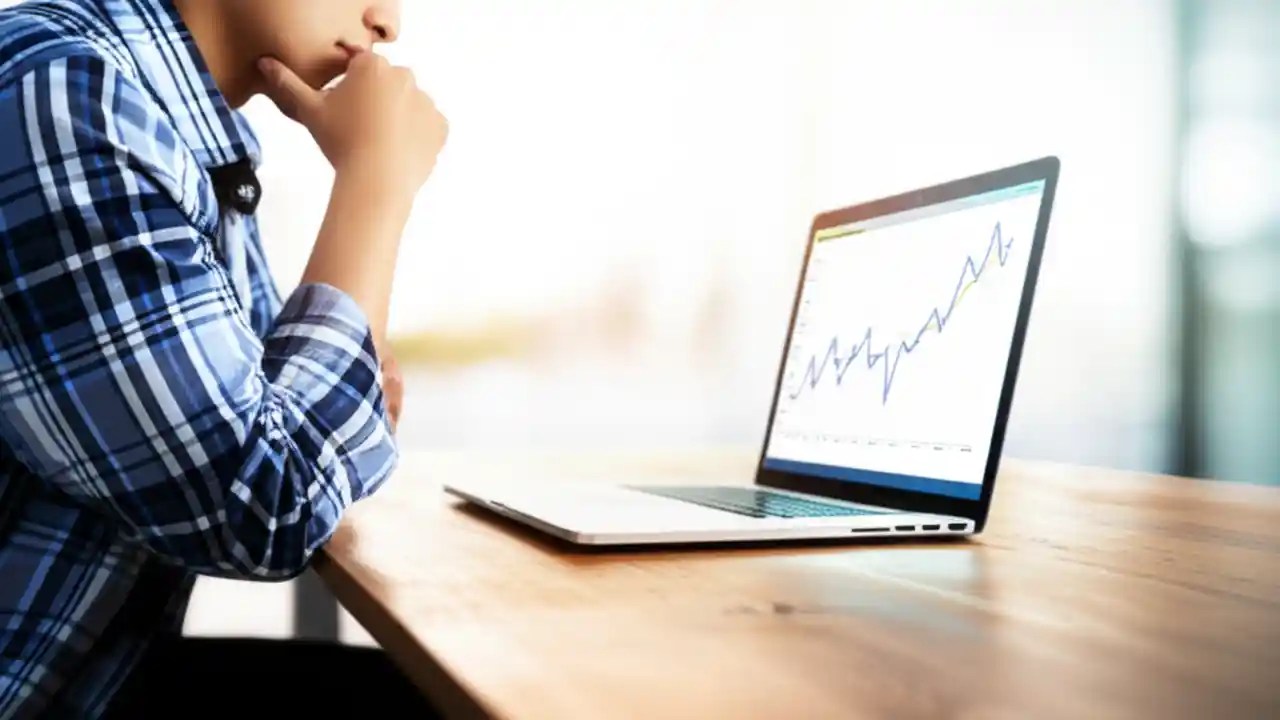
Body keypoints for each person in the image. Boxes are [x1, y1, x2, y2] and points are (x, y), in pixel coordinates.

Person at [0, 0, 449, 716]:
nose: (387, 21)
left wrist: (325, 398)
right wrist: (375, 181)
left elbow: (315, 408)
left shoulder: (168, 126)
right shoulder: (62, 94)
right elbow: (269, 504)